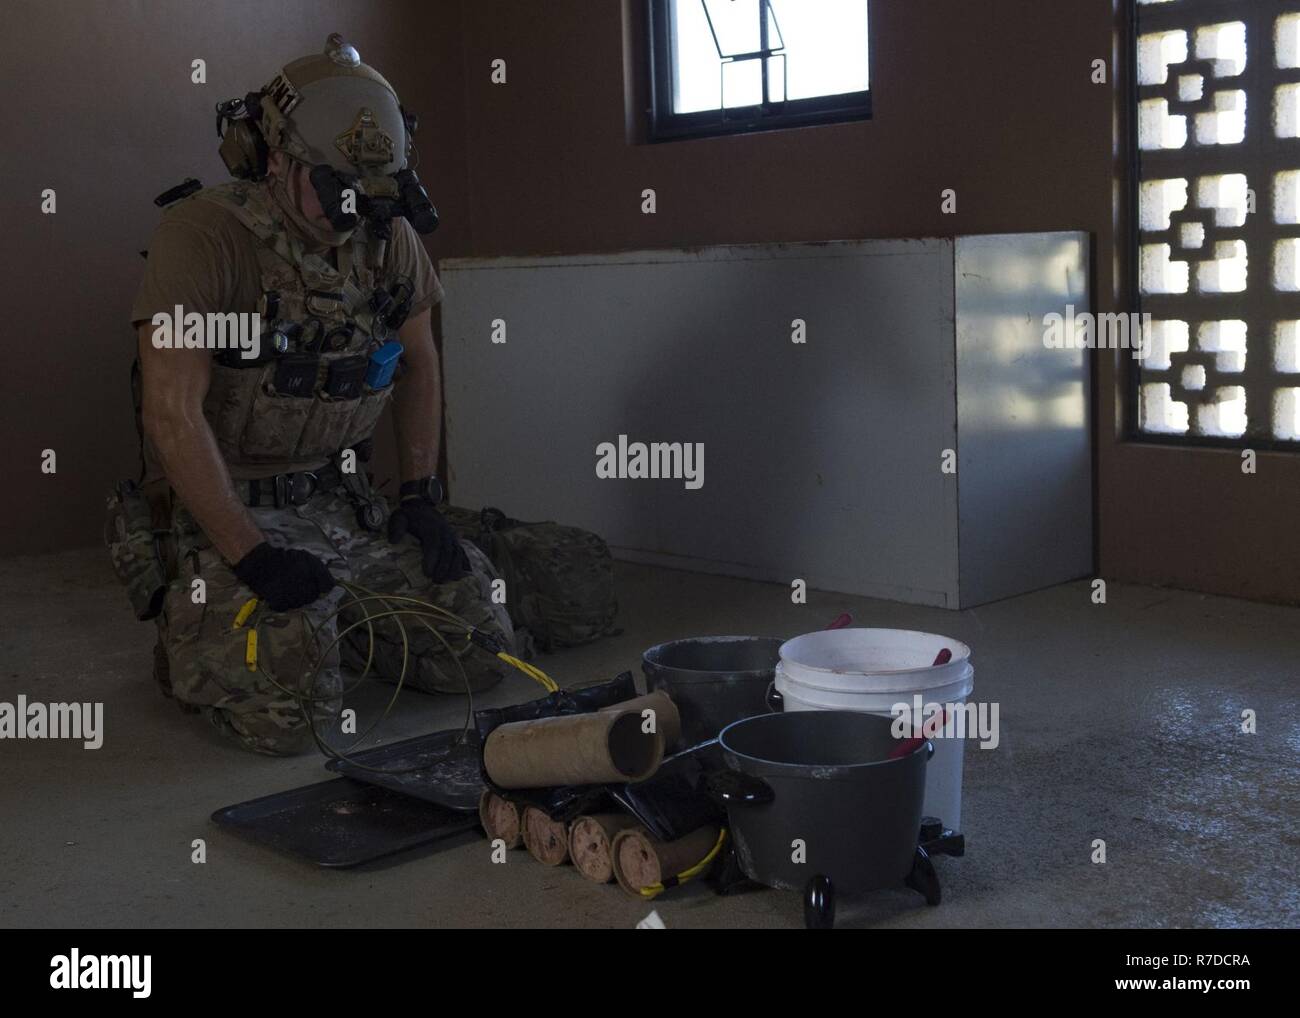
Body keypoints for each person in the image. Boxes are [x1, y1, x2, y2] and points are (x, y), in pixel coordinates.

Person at [125, 34, 513, 755]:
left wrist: (420, 499)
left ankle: (343, 623)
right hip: (228, 512)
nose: (352, 212)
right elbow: (170, 413)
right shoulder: (203, 236)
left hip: (340, 501)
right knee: (290, 719)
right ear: (275, 158)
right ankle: (198, 632)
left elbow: (420, 364)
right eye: (335, 185)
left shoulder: (387, 236)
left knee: (475, 637)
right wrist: (251, 556)